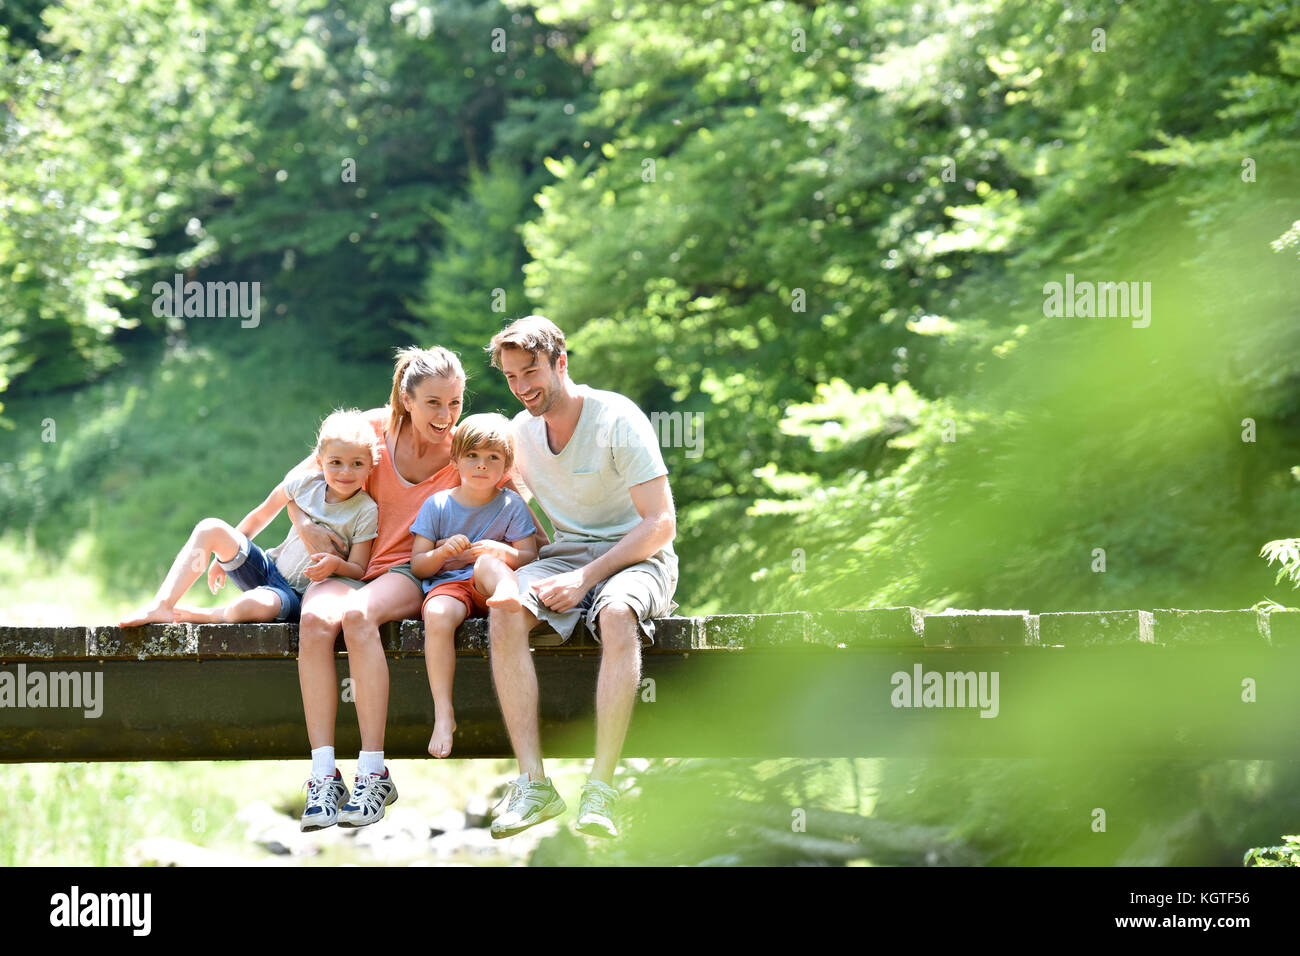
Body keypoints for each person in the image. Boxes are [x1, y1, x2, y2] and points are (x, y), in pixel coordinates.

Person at [289, 347, 544, 832]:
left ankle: (373, 772)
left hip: (407, 574)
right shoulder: (370, 431)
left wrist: (564, 570)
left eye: (455, 402)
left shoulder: (467, 448)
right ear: (407, 399)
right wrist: (304, 530)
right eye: (433, 403)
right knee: (314, 621)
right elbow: (294, 489)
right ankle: (323, 776)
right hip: (348, 565)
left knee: (358, 616)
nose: (446, 416)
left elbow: (525, 522)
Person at [484, 315, 678, 839]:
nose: (522, 387)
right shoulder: (519, 434)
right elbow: (492, 491)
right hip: (565, 557)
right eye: (511, 377)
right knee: (503, 611)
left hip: (638, 557)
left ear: (560, 363)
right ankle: (533, 785)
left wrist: (586, 578)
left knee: (616, 615)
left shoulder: (617, 419)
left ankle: (601, 789)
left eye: (532, 372)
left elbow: (661, 524)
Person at [119, 409, 379, 628]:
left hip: (296, 597)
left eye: (357, 463)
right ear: (319, 461)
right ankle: (162, 605)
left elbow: (358, 570)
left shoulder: (365, 510)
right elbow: (260, 516)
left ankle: (209, 615)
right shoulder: (304, 484)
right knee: (210, 528)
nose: (346, 472)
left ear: (371, 465)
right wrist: (227, 552)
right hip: (268, 569)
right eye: (336, 462)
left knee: (251, 605)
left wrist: (336, 564)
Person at [409, 413, 538, 759]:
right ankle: (443, 712)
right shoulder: (438, 505)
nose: (482, 466)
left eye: (493, 458)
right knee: (436, 614)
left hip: (491, 584)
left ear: (506, 467)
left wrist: (503, 551)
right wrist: (440, 552)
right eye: (473, 456)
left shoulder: (511, 505)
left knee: (486, 562)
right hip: (451, 587)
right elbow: (418, 565)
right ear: (455, 459)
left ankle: (510, 593)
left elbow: (529, 556)